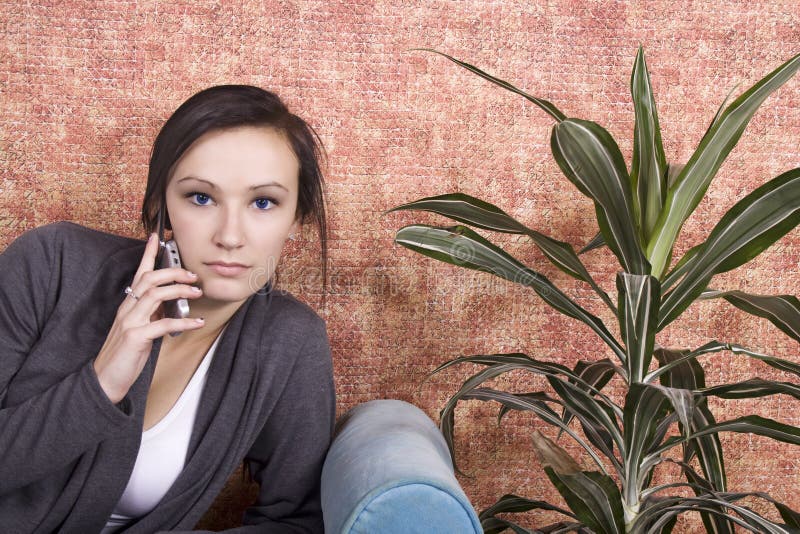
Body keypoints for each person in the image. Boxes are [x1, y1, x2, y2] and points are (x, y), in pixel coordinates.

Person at [0, 85, 335, 533]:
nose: (230, 236)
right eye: (201, 197)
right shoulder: (52, 264)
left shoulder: (289, 342)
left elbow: (296, 520)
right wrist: (100, 384)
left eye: (263, 202)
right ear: (160, 206)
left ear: (296, 217)